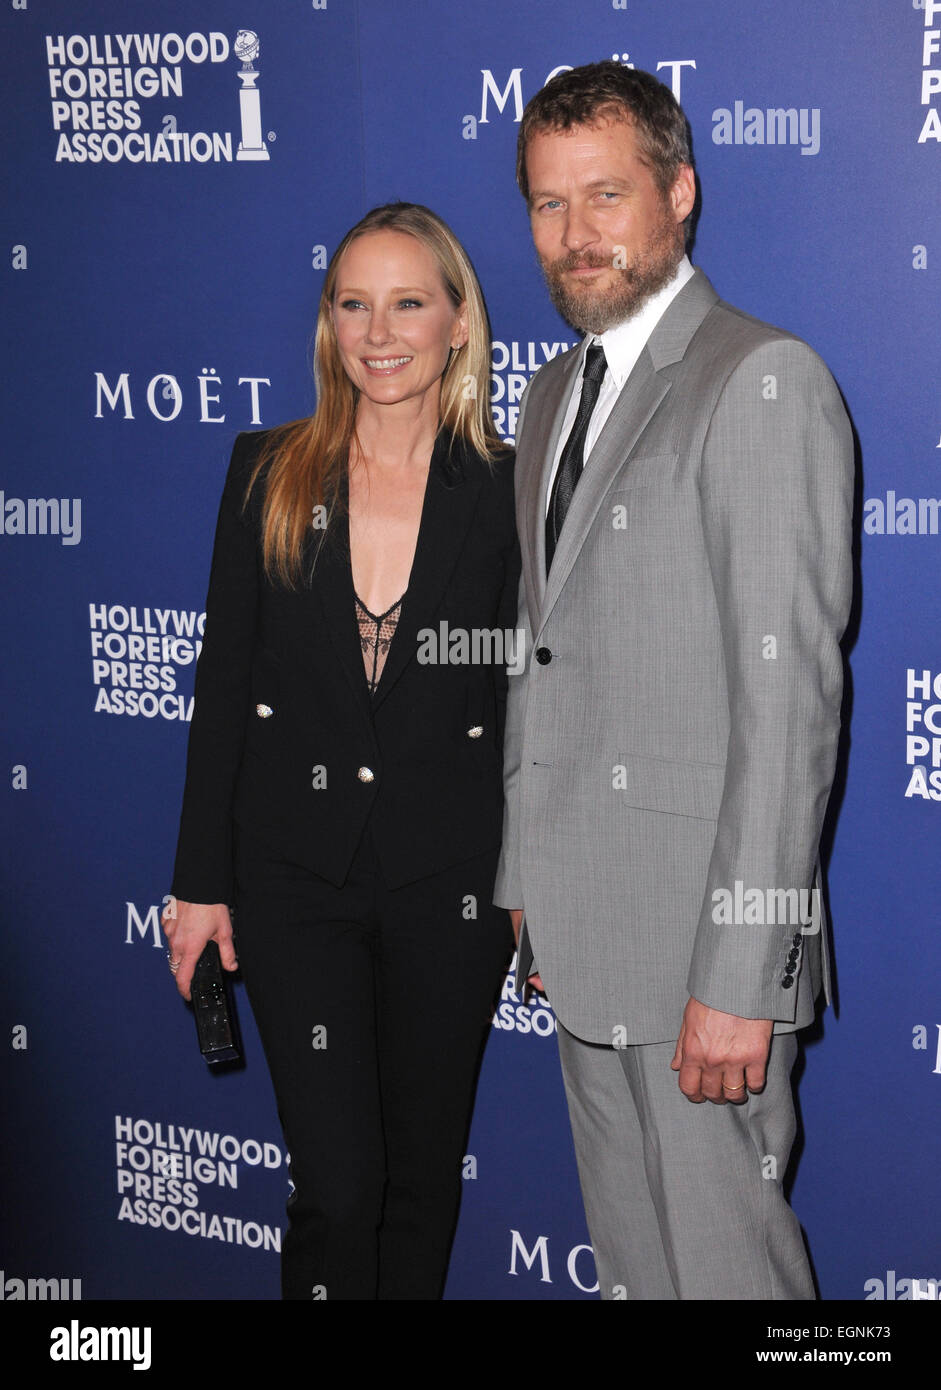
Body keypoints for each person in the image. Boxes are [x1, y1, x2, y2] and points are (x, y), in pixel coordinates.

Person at [494, 63, 853, 1300]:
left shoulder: (760, 379)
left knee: (733, 1286)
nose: (575, 233)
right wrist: (524, 884)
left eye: (606, 194)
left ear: (679, 194)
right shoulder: (549, 395)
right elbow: (540, 655)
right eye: (547, 204)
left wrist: (741, 979)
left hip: (705, 961)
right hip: (582, 945)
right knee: (648, 1283)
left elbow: (789, 712)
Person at [164, 202, 518, 1300]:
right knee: (337, 1182)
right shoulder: (267, 470)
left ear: (457, 322)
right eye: (352, 303)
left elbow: (539, 703)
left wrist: (536, 877)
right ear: (327, 323)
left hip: (449, 888)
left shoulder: (510, 492)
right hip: (291, 883)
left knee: (418, 1183)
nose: (379, 331)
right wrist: (197, 886)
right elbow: (222, 684)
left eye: (408, 301)